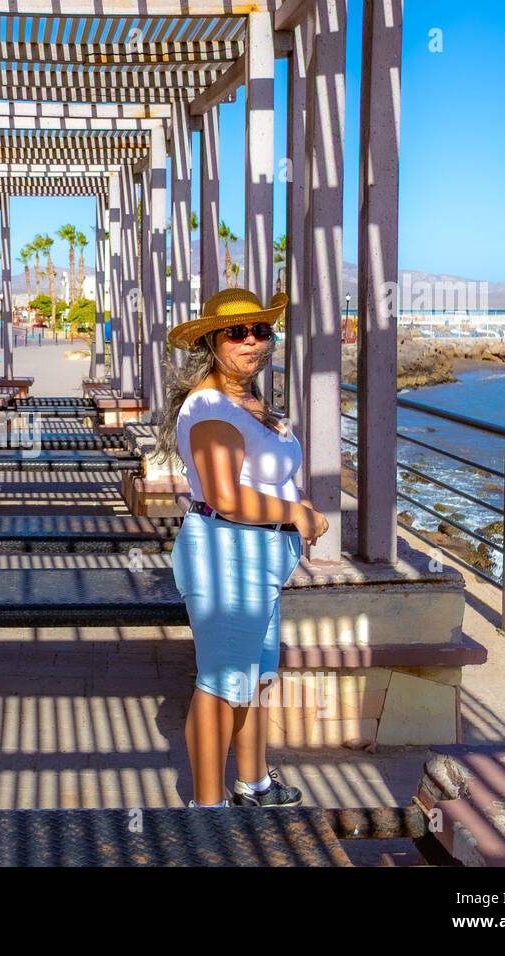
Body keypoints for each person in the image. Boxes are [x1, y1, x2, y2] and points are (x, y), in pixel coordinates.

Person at [155, 288, 330, 808]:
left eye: (261, 330)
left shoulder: (249, 401)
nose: (252, 341)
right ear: (211, 341)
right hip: (226, 554)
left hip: (260, 555)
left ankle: (253, 783)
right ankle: (208, 813)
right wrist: (297, 512)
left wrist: (290, 504)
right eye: (237, 332)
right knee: (221, 682)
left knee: (255, 675)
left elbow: (263, 476)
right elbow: (227, 497)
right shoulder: (211, 407)